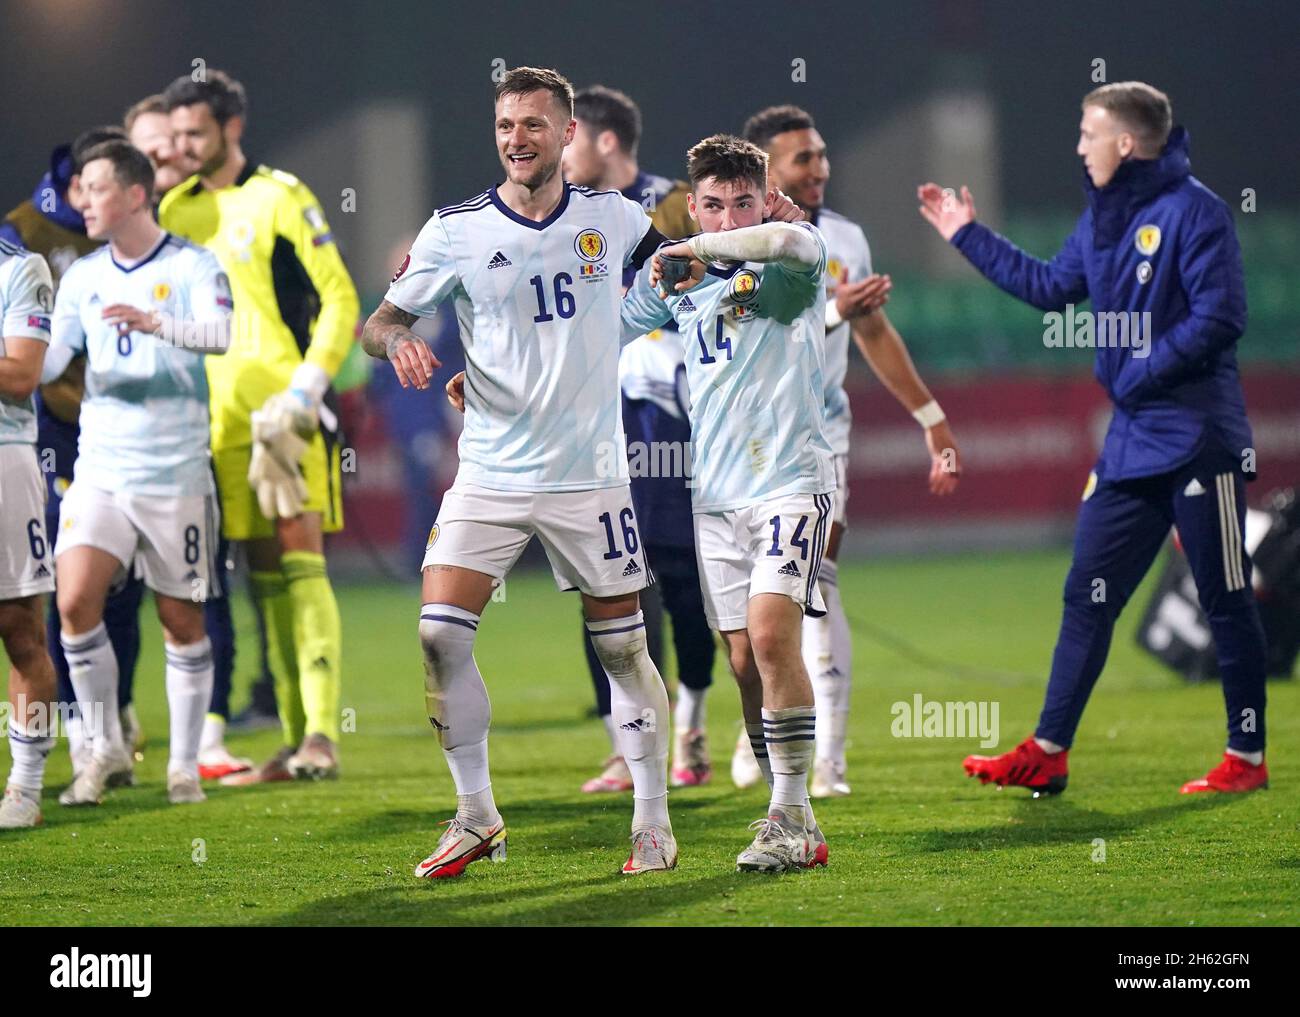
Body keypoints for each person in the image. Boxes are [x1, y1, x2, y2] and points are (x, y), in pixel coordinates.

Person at [362, 66, 677, 878]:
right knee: (437, 634)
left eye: (534, 125)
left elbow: (678, 273)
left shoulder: (614, 218)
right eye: (506, 124)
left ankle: (651, 822)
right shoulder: (455, 227)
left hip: (591, 474)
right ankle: (476, 815)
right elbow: (382, 319)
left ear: (567, 134)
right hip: (492, 472)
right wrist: (398, 341)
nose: (517, 139)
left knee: (622, 653)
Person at [918, 81, 1269, 795]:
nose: (1079, 146)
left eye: (1088, 132)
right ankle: (1048, 750)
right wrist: (967, 234)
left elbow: (1222, 316)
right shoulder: (1105, 217)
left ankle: (1247, 758)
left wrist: (1142, 369)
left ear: (1126, 143)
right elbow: (1050, 286)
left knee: (1224, 595)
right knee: (1088, 592)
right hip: (1134, 442)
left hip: (1199, 436)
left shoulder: (1197, 212)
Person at [620, 134, 834, 872]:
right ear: (694, 204)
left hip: (790, 482)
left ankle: (796, 817)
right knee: (744, 662)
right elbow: (596, 336)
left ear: (762, 199)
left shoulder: (791, 255)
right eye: (712, 204)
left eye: (742, 200)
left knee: (775, 638)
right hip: (714, 498)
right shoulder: (679, 280)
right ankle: (783, 807)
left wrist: (710, 246)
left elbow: (783, 241)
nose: (727, 215)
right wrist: (488, 379)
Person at [741, 104, 962, 797]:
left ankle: (829, 753)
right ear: (766, 169)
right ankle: (756, 736)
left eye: (823, 154)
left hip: (817, 432)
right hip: (737, 438)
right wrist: (834, 308)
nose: (820, 168)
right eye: (802, 157)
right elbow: (756, 327)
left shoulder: (844, 237)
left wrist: (931, 416)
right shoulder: (732, 238)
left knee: (815, 581)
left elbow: (873, 333)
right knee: (744, 618)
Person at [160, 70, 360, 784]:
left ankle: (324, 738)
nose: (182, 147)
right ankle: (293, 737)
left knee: (302, 560)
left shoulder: (281, 195)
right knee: (262, 580)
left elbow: (340, 297)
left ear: (230, 128)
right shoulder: (173, 214)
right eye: (174, 135)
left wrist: (307, 387)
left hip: (285, 415)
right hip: (214, 425)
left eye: (194, 133)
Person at [44, 140, 232, 806]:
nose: (81, 200)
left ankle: (182, 765)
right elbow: (47, 362)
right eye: (79, 189)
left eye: (93, 187)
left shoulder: (192, 264)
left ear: (133, 194)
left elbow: (220, 334)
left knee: (182, 619)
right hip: (100, 470)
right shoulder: (81, 276)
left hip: (175, 475)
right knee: (73, 603)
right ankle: (99, 752)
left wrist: (157, 322)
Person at [561, 84, 716, 792]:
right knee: (607, 582)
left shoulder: (679, 204)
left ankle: (693, 723)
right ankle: (626, 744)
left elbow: (719, 290)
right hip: (598, 424)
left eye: (572, 140)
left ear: (608, 143)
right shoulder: (560, 217)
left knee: (683, 580)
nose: (559, 155)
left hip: (674, 421)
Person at [0, 238, 58, 828]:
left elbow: (20, 374)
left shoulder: (18, 266)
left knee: (19, 628)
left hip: (4, 461)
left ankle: (25, 785)